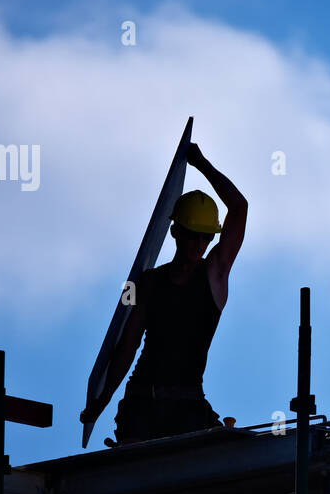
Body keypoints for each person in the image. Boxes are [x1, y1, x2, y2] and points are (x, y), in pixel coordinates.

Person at [79, 142, 247, 443]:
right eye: (193, 236)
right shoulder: (149, 282)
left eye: (205, 238)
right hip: (141, 404)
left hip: (188, 405)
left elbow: (239, 207)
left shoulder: (214, 274)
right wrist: (102, 400)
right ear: (175, 232)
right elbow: (127, 347)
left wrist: (202, 163)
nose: (198, 245)